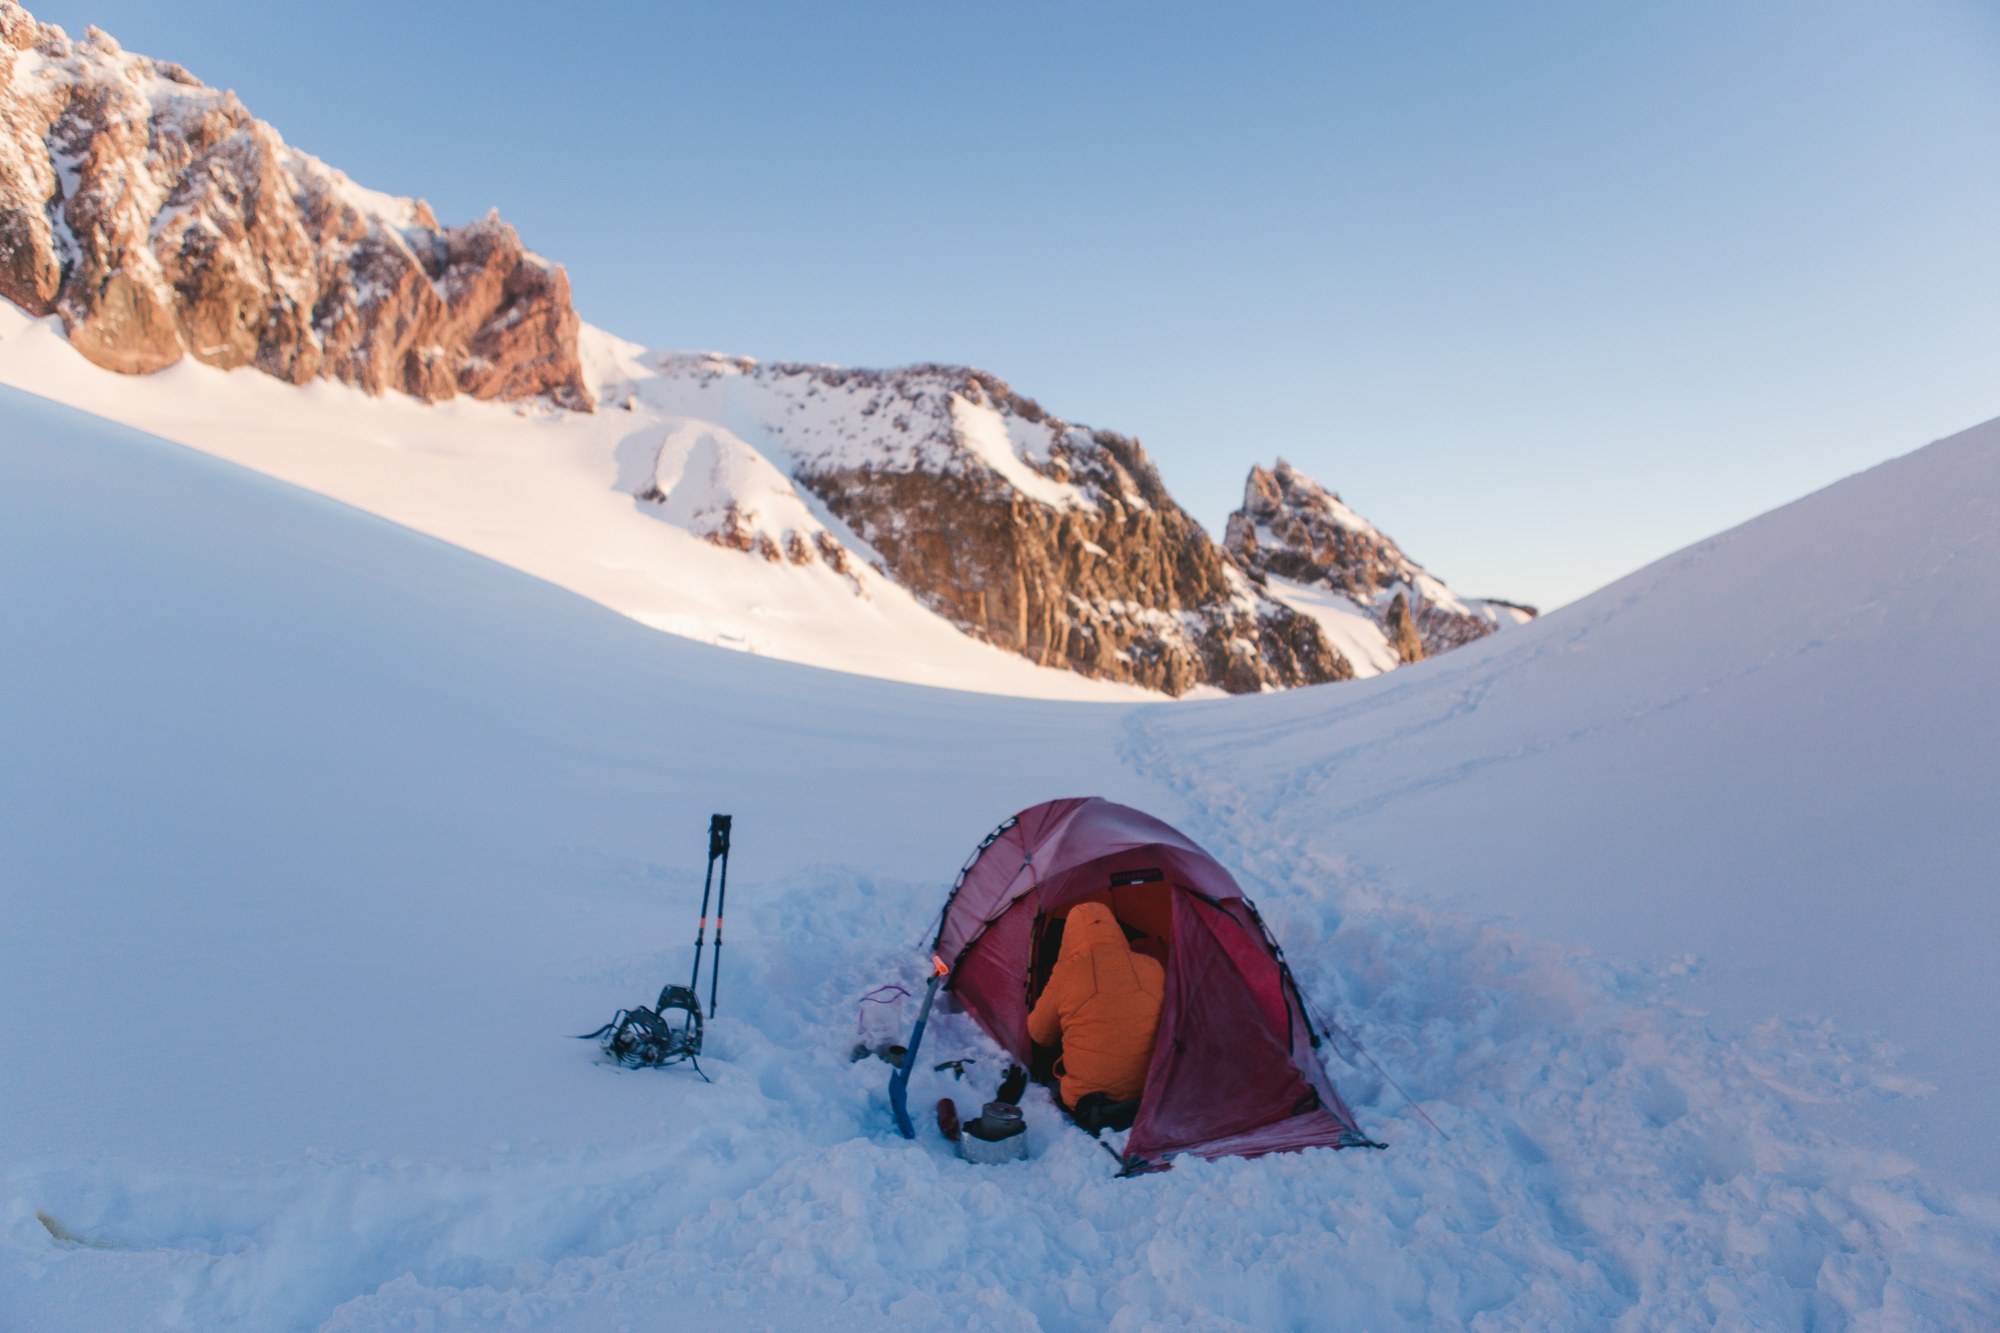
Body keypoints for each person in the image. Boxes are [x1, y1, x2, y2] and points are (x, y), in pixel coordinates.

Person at [1026, 901, 1165, 1119]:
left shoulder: (1067, 971)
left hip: (1087, 1099)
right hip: (1148, 1090)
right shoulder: (1152, 966)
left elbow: (1039, 1033)